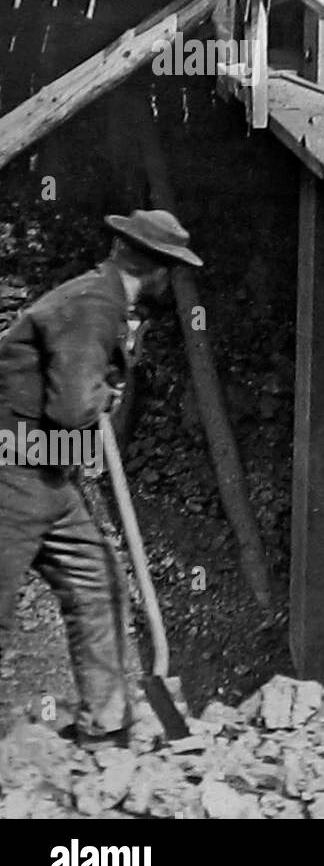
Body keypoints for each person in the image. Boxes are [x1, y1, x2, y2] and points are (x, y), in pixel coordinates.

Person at [0, 209, 202, 748]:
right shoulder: (94, 305)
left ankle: (106, 726)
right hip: (10, 473)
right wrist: (103, 395)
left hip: (43, 472)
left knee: (99, 582)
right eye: (171, 271)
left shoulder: (101, 300)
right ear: (156, 270)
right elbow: (69, 408)